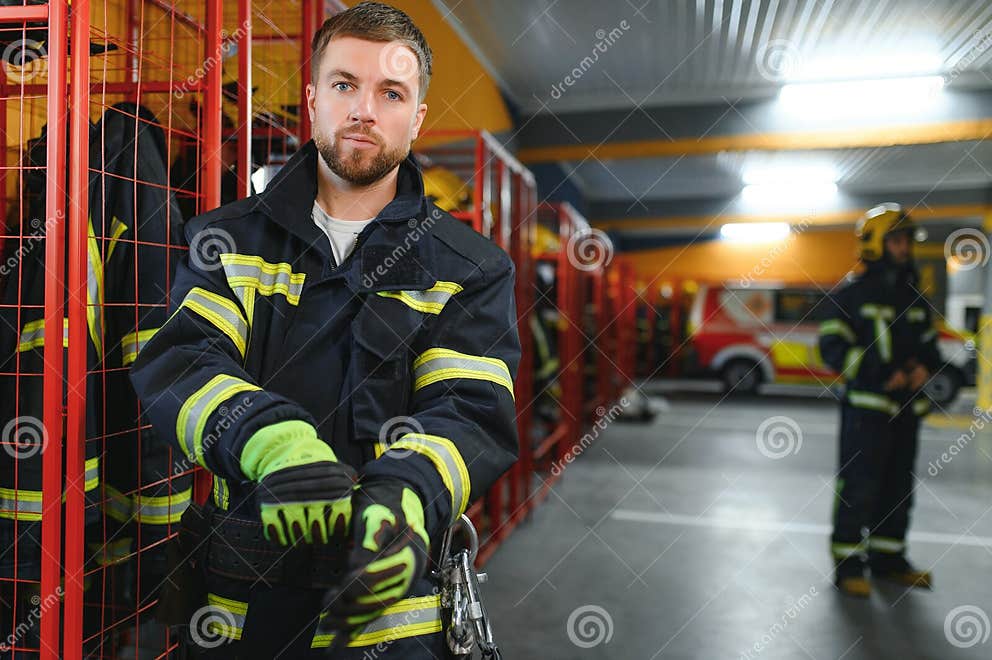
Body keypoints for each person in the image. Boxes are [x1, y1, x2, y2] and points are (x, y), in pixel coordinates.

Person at [129, 3, 520, 657]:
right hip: (238, 611)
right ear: (313, 98)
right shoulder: (225, 241)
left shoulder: (468, 269)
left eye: (390, 92)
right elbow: (184, 363)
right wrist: (275, 444)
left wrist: (405, 498)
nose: (364, 109)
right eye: (345, 85)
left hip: (387, 622)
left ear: (416, 116)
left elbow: (470, 414)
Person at [818, 203, 940, 597]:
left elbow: (929, 348)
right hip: (865, 414)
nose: (905, 248)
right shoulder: (850, 296)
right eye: (897, 240)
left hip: (906, 412)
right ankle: (848, 564)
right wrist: (881, 373)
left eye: (907, 241)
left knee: (898, 488)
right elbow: (832, 348)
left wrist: (925, 368)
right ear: (875, 244)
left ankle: (889, 560)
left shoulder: (914, 298)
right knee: (859, 486)